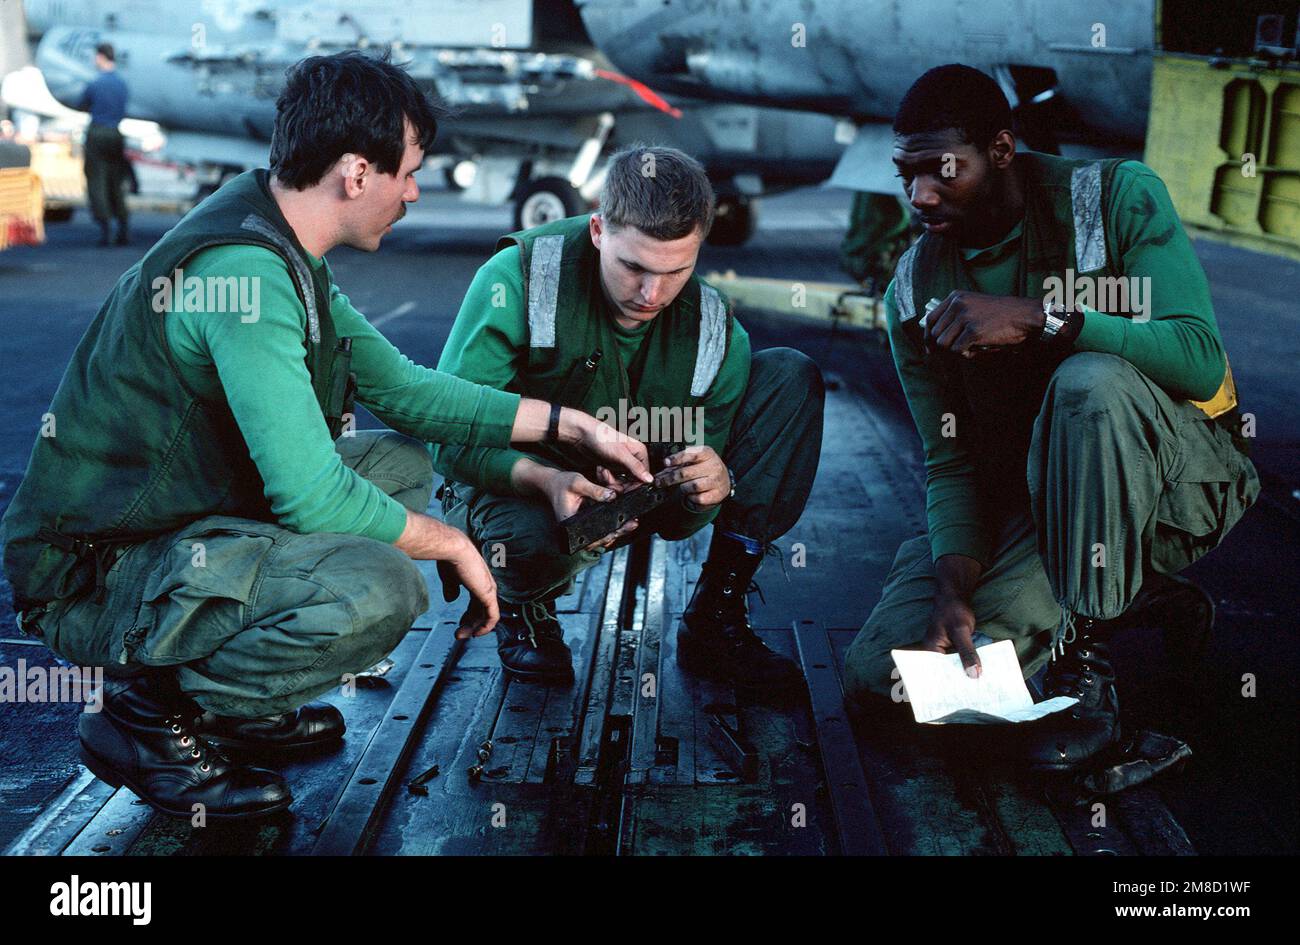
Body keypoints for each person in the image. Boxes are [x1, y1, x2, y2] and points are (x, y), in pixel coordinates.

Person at [0, 52, 650, 822]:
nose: (412, 192)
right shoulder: (242, 276)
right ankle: (147, 712)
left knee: (403, 466)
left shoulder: (278, 241)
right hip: (97, 571)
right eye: (407, 173)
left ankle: (233, 707)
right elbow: (308, 493)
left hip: (178, 522)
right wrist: (453, 544)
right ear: (354, 173)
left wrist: (567, 425)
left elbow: (403, 389)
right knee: (382, 585)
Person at [842, 65, 1259, 771]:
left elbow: (1198, 357)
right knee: (888, 683)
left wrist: (1046, 318)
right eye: (904, 174)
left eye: (942, 170)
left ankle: (1089, 669)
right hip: (1034, 507)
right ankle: (1141, 594)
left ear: (1002, 150)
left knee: (1087, 382)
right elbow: (950, 459)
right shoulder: (913, 288)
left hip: (1179, 480)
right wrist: (953, 587)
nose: (919, 195)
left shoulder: (1118, 197)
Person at [432, 146, 826, 694]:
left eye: (675, 271)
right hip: (530, 480)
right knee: (526, 541)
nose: (651, 294)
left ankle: (716, 613)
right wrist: (550, 479)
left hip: (643, 485)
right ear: (597, 230)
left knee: (789, 376)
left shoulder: (714, 326)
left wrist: (707, 487)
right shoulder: (518, 279)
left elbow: (681, 525)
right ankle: (523, 608)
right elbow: (448, 439)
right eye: (633, 266)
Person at [78, 43, 131, 246]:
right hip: (116, 134)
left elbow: (82, 104)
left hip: (97, 132)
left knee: (97, 181)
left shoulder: (96, 83)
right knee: (115, 181)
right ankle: (124, 226)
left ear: (100, 57)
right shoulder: (121, 83)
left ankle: (105, 228)